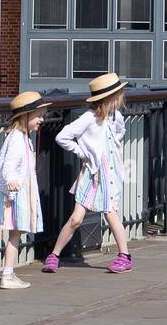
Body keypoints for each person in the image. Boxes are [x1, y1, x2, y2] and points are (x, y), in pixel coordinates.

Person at [43, 72, 134, 274]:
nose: (121, 99)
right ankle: (54, 255)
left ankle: (124, 256)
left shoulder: (116, 117)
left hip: (110, 174)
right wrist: (81, 152)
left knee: (110, 213)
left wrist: (114, 147)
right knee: (76, 218)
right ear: (109, 98)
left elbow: (120, 133)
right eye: (118, 95)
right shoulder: (88, 119)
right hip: (92, 173)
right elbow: (63, 137)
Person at [0, 91, 50, 289]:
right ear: (25, 116)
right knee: (15, 232)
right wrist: (11, 178)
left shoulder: (24, 138)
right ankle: (7, 275)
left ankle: (8, 273)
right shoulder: (17, 138)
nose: (41, 120)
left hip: (21, 190)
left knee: (16, 232)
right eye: (38, 116)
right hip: (16, 193)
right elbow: (9, 163)